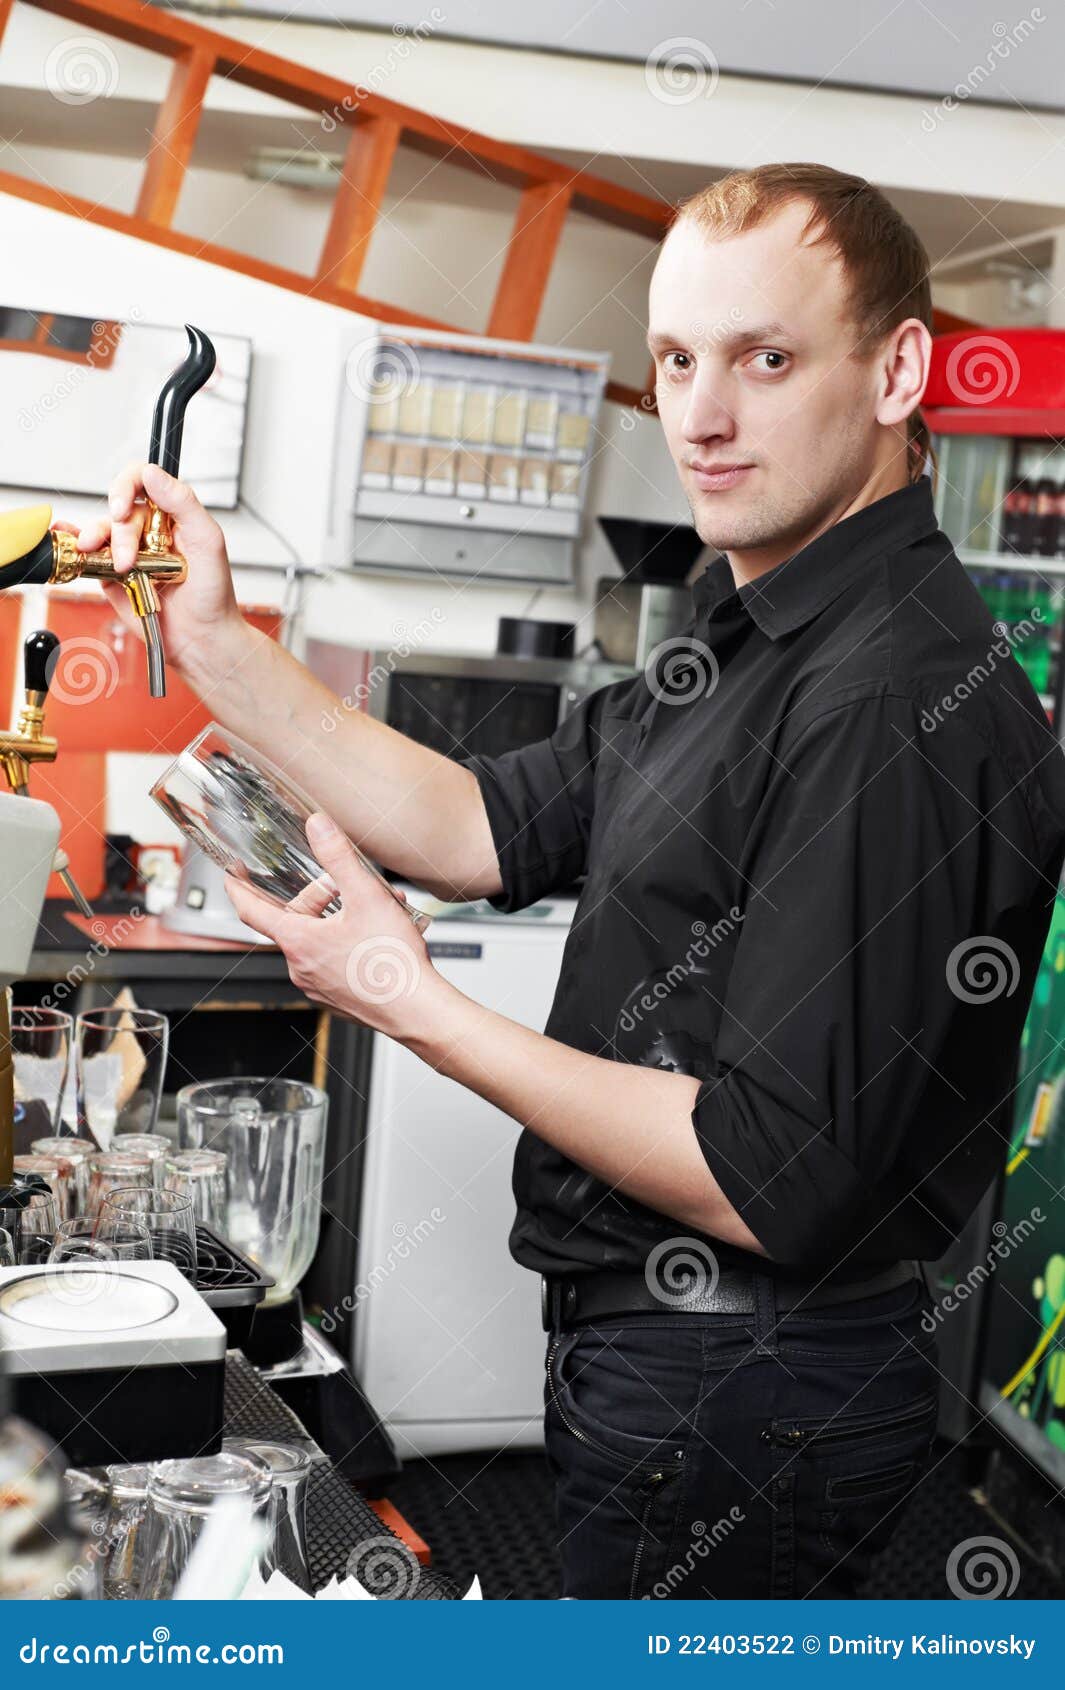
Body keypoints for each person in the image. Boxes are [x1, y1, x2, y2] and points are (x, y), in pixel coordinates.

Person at [67, 162, 1065, 1600]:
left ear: (897, 368)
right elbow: (481, 824)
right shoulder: (749, 621)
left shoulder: (891, 696)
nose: (700, 419)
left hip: (754, 1390)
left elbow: (756, 1169)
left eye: (764, 360)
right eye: (672, 361)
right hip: (659, 1368)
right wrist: (215, 641)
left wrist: (406, 997)